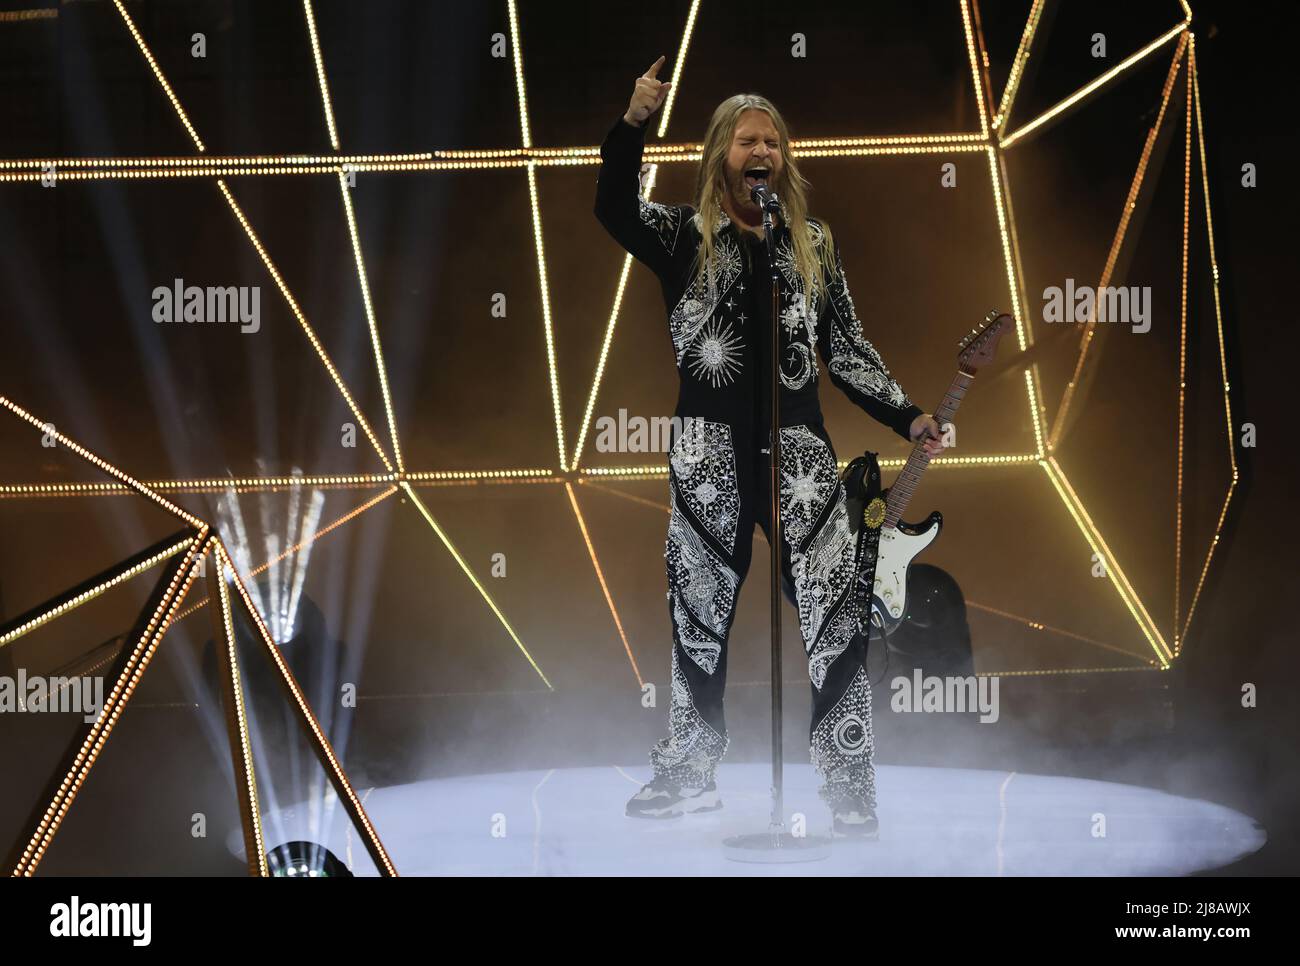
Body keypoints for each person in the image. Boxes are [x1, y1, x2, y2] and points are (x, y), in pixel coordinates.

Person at [594, 56, 943, 837]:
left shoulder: (810, 242)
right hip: (708, 458)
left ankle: (849, 776)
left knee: (834, 613)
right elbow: (613, 206)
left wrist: (909, 415)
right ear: (721, 152)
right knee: (696, 616)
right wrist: (633, 122)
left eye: (775, 143)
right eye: (748, 140)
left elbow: (845, 348)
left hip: (799, 456)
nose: (763, 153)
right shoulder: (682, 236)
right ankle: (690, 769)